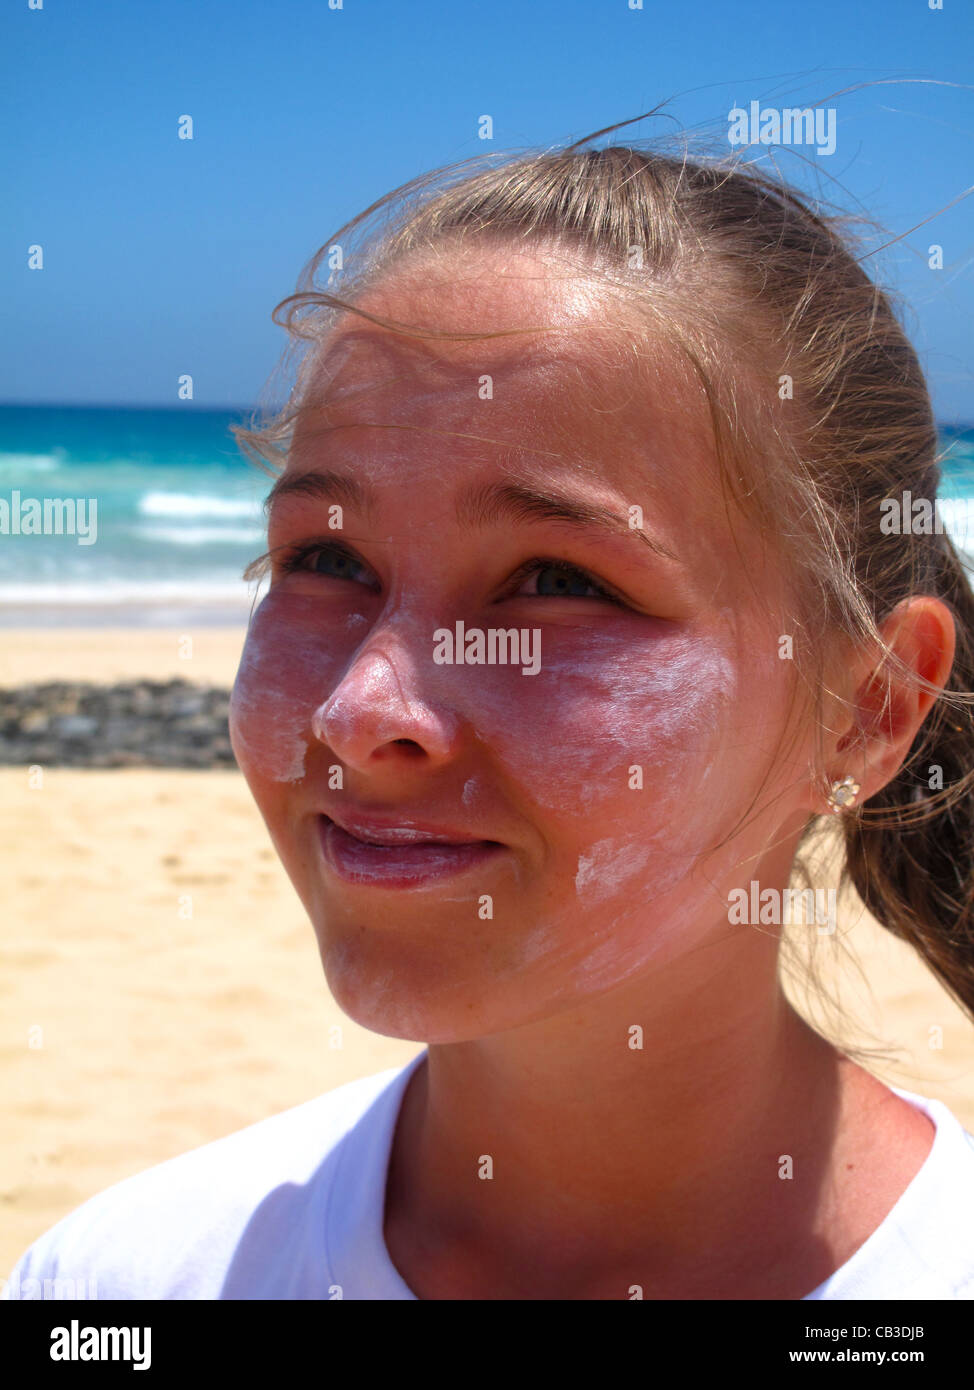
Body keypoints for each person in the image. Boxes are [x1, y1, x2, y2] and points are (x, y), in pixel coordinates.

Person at [7, 120, 974, 1301]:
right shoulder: (117, 1285)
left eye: (559, 583)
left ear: (866, 710)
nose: (361, 711)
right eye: (325, 559)